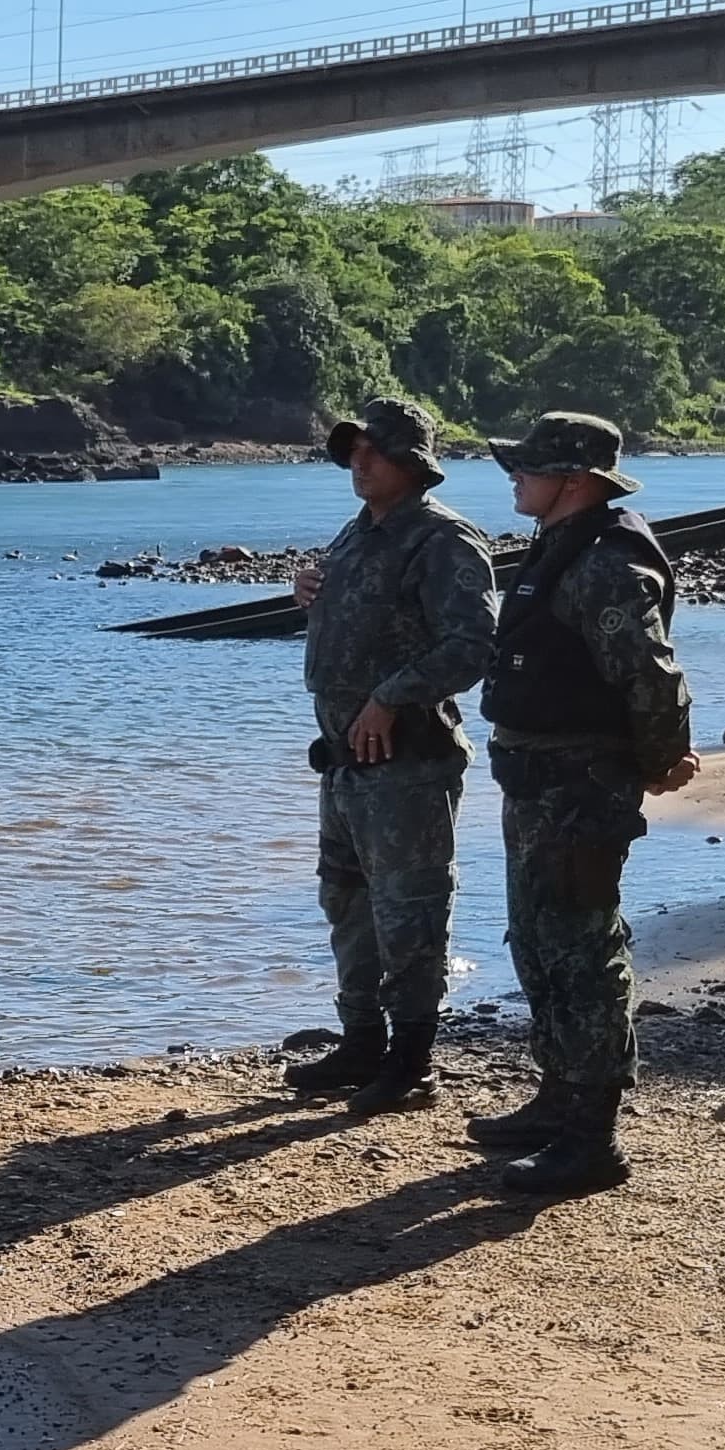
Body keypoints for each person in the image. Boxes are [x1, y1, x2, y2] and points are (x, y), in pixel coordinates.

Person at [471, 412, 698, 1195]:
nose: (515, 477)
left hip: (581, 782)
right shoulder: (561, 543)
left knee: (581, 947)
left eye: (528, 468)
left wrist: (662, 758)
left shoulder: (606, 559)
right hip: (536, 776)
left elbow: (650, 670)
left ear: (575, 479)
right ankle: (558, 1099)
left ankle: (592, 1139)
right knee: (537, 939)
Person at [284, 397, 498, 1117]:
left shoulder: (442, 540)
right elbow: (360, 622)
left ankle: (411, 1061)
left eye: (372, 450)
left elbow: (472, 646)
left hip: (408, 760)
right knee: (346, 901)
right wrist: (309, 591)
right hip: (345, 762)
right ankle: (361, 1043)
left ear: (410, 460)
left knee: (409, 910)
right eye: (352, 450)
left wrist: (391, 698)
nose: (358, 461)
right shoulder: (359, 533)